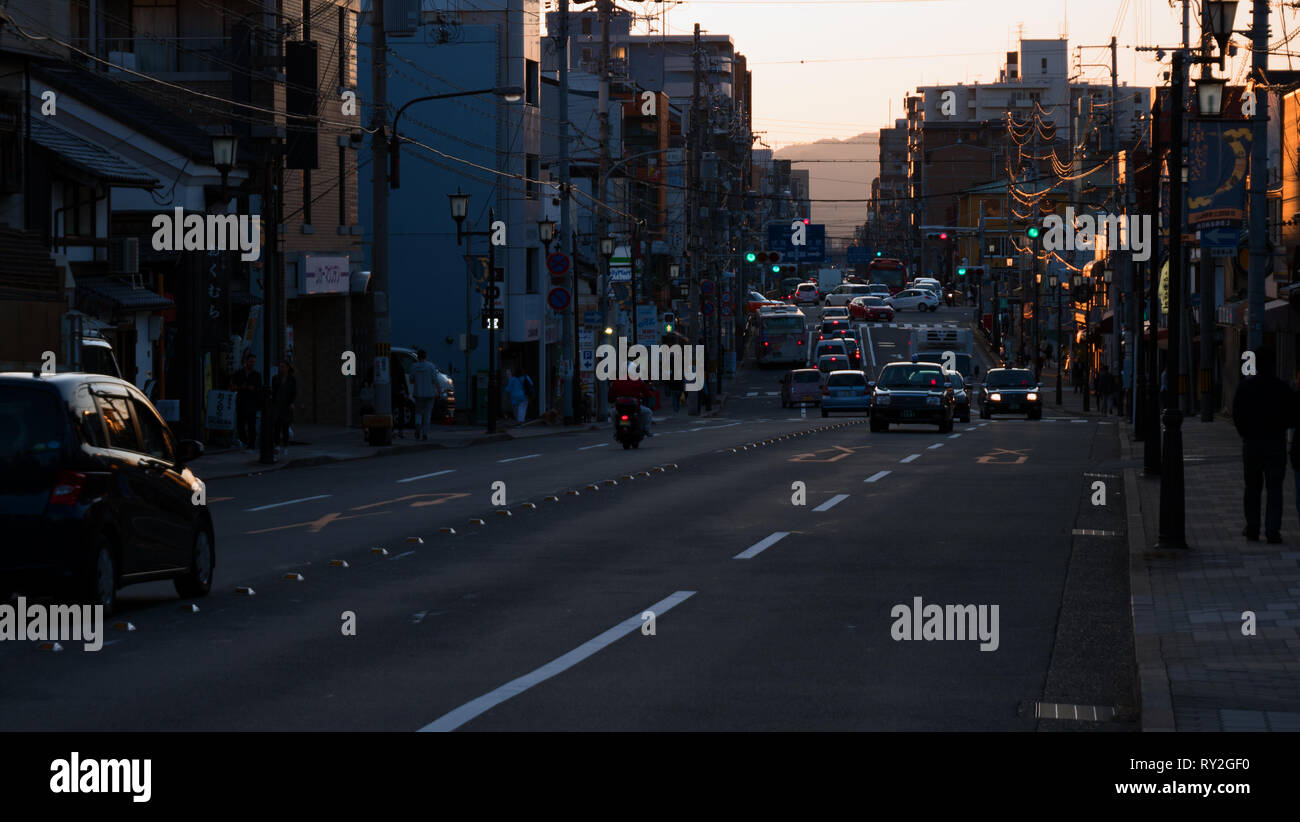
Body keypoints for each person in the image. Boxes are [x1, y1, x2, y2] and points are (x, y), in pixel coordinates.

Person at [1233, 348, 1293, 543]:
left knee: (1252, 487)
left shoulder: (1245, 388)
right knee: (1275, 489)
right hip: (1275, 442)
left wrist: (1245, 434)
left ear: (1256, 365)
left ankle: (1252, 527)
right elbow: (1291, 417)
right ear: (1274, 365)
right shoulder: (1283, 389)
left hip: (1252, 443)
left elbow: (1237, 415)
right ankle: (1272, 530)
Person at [230, 352, 263, 451]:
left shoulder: (256, 375)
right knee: (240, 425)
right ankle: (245, 440)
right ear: (246, 361)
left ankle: (251, 444)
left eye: (253, 362)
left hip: (252, 402)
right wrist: (241, 387)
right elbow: (232, 387)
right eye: (250, 361)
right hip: (241, 401)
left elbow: (259, 388)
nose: (252, 364)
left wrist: (254, 389)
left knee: (251, 424)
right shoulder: (239, 373)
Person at [408, 349, 441, 441]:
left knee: (418, 412)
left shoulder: (414, 366)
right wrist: (439, 392)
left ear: (418, 357)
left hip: (418, 393)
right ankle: (425, 433)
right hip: (430, 394)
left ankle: (418, 424)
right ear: (425, 356)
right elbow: (435, 381)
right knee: (427, 414)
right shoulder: (431, 366)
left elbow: (411, 380)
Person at [270, 357, 297, 450]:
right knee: (276, 426)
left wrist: (292, 403)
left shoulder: (291, 380)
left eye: (283, 367)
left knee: (285, 426)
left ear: (287, 368)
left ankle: (285, 444)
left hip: (287, 405)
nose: (281, 369)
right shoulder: (275, 378)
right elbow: (273, 391)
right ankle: (277, 444)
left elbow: (294, 392)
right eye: (280, 367)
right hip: (277, 405)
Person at [390, 353, 410, 439]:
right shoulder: (400, 368)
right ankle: (400, 431)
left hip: (391, 392)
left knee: (391, 411)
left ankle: (392, 430)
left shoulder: (389, 368)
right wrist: (407, 392)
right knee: (401, 412)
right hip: (399, 392)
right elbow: (404, 381)